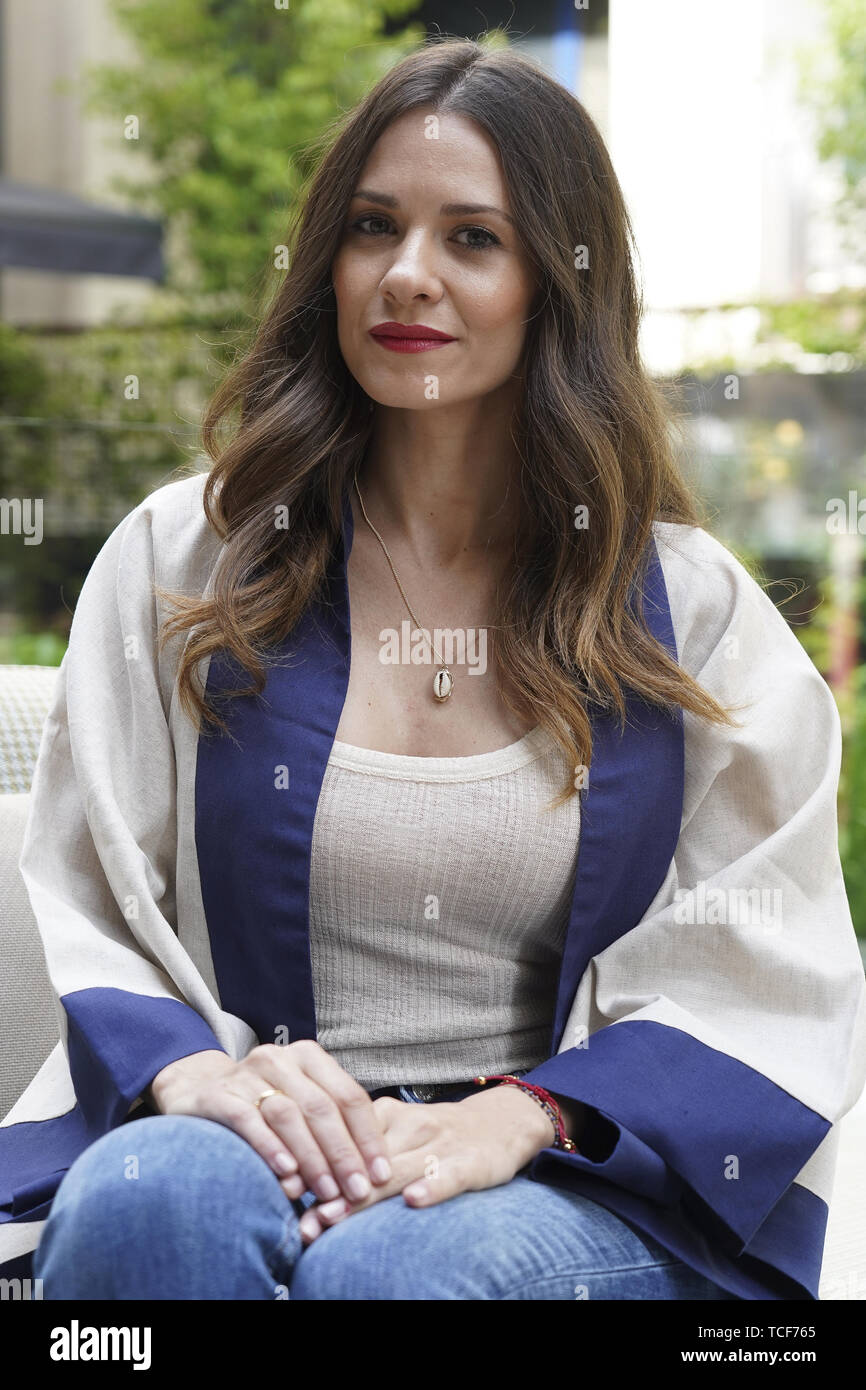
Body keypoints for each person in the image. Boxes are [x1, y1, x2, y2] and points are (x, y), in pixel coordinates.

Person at [2, 37, 863, 1301]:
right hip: (251, 1120)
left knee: (395, 1271)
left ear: (556, 281)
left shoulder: (687, 606)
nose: (407, 274)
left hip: (554, 1170)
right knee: (153, 1206)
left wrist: (520, 1115)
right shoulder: (186, 561)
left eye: (473, 238)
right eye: (371, 226)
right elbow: (92, 891)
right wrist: (197, 1074)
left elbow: (763, 953)